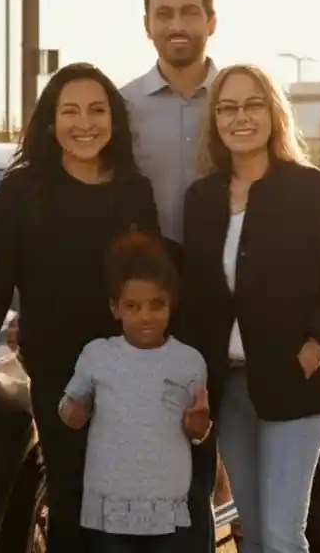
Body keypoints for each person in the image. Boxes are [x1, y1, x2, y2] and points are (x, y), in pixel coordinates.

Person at [7, 0, 226, 551]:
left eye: (188, 12)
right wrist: (26, 307)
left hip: (214, 305)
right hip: (137, 313)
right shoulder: (118, 108)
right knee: (107, 480)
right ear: (147, 25)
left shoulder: (235, 102)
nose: (176, 24)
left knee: (194, 475)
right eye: (163, 13)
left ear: (211, 19)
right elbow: (58, 221)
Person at [0, 62, 165, 553]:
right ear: (51, 121)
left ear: (113, 119)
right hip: (56, 373)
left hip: (129, 371)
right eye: (70, 111)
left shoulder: (133, 189)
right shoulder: (23, 190)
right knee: (71, 506)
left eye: (97, 110)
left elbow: (150, 286)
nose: (85, 122)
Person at [181, 64, 320, 553]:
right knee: (255, 535)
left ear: (273, 113)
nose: (241, 117)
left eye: (253, 104)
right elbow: (195, 300)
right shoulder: (200, 199)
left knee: (283, 535)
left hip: (295, 387)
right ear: (215, 120)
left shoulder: (310, 189)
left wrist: (315, 349)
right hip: (231, 391)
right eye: (227, 107)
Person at [59, 230, 211, 553]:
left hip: (167, 509)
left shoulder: (189, 362)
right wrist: (74, 412)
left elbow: (197, 433)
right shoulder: (97, 355)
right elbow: (69, 413)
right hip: (109, 511)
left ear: (171, 305)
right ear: (115, 308)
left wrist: (199, 426)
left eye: (157, 305)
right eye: (133, 306)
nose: (146, 316)